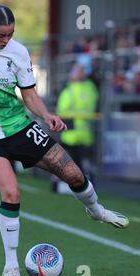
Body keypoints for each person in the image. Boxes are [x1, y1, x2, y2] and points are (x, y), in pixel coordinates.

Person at [0, 5, 129, 276]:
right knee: (11, 193)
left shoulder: (18, 52)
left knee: (73, 173)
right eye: (0, 35)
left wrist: (47, 116)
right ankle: (11, 267)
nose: (5, 40)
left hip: (19, 127)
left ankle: (96, 210)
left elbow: (30, 94)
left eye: (10, 34)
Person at [54, 63, 98, 193]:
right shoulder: (92, 89)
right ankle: (89, 188)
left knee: (67, 163)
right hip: (86, 134)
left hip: (71, 135)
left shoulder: (69, 90)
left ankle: (62, 186)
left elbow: (61, 110)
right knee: (85, 165)